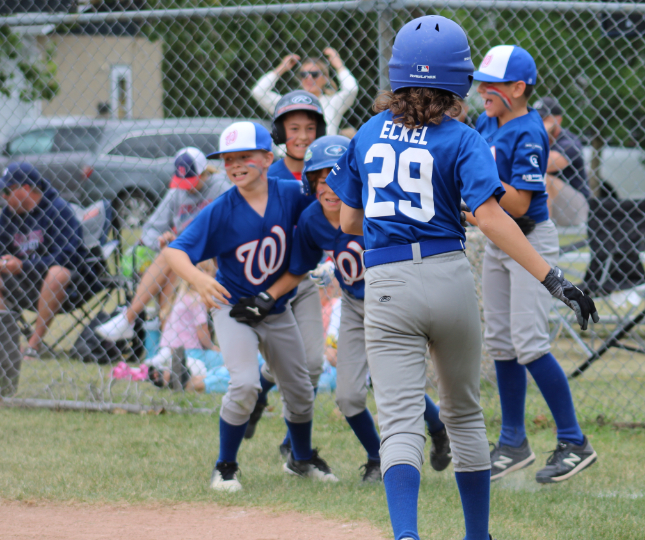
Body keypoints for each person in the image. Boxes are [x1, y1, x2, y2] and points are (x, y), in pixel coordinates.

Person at [326, 15, 598, 540]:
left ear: (397, 74)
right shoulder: (464, 137)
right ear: (460, 80)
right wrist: (553, 279)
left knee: (402, 423)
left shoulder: (365, 133)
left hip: (386, 283)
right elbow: (494, 218)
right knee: (465, 415)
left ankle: (407, 534)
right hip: (447, 277)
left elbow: (348, 222)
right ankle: (478, 537)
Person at [255, 136, 453, 484]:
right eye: (320, 179)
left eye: (337, 177)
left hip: (392, 300)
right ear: (310, 182)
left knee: (395, 383)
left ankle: (437, 428)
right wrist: (266, 297)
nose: (331, 187)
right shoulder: (313, 219)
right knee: (347, 397)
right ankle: (378, 457)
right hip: (354, 305)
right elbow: (298, 268)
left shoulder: (375, 206)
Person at [164, 121, 335, 492]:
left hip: (276, 309)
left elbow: (327, 200)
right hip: (233, 307)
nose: (236, 165)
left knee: (302, 391)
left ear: (267, 157)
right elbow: (174, 251)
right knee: (243, 384)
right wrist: (199, 279)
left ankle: (301, 459)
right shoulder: (222, 209)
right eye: (228, 160)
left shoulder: (291, 193)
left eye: (245, 157)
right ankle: (224, 467)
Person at [472, 46, 597, 484]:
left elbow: (522, 204)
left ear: (518, 88)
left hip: (528, 237)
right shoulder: (487, 121)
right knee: (501, 343)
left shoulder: (528, 131)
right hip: (496, 238)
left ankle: (574, 441)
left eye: (493, 84)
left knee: (529, 343)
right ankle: (512, 442)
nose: (482, 90)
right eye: (481, 82)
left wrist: (476, 191)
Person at [243, 91, 325, 464]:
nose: (303, 136)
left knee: (309, 365)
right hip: (270, 284)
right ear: (279, 132)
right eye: (294, 128)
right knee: (286, 363)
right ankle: (261, 398)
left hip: (303, 279)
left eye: (310, 128)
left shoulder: (324, 171)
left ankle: (293, 442)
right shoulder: (270, 175)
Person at [96, 148, 232, 342]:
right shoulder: (177, 193)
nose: (186, 188)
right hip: (183, 254)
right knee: (171, 256)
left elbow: (227, 226)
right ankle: (167, 342)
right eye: (182, 182)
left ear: (203, 174)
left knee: (172, 255)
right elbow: (151, 228)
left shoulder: (220, 187)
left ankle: (130, 320)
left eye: (191, 181)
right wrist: (161, 240)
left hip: (211, 254)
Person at [0, 163, 96, 372]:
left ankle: (34, 345)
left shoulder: (59, 210)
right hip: (23, 284)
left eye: (7, 191)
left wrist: (24, 265)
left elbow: (68, 256)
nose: (3, 197)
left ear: (25, 189)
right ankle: (7, 345)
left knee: (57, 273)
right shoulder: (7, 216)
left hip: (67, 288)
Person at [250, 49, 358, 136]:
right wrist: (281, 69)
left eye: (314, 74)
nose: (309, 78)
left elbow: (351, 89)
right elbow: (259, 91)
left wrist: (339, 66)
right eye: (304, 74)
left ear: (325, 78)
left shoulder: (332, 102)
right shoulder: (289, 102)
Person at [536, 96, 591, 227]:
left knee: (543, 178)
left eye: (544, 119)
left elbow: (543, 165)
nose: (539, 123)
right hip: (551, 204)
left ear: (558, 120)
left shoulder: (569, 141)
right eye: (536, 118)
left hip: (577, 207)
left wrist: (539, 136)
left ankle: (542, 229)